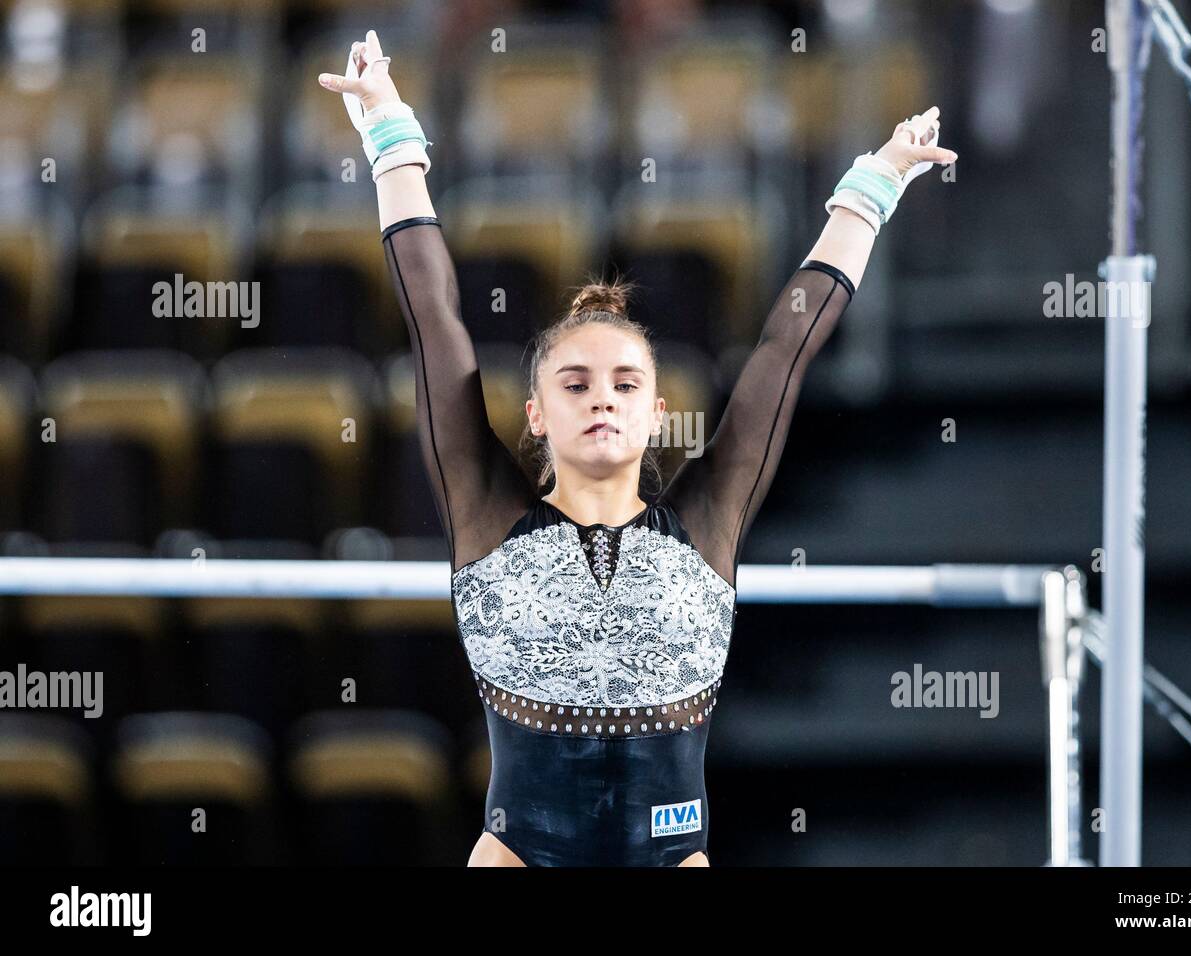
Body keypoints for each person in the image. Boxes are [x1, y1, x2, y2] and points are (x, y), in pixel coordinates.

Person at [319, 29, 957, 866]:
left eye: (624, 385)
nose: (602, 402)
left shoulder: (706, 523)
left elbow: (781, 356)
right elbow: (435, 323)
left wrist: (876, 181)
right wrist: (390, 132)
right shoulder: (484, 512)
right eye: (575, 385)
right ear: (536, 413)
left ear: (657, 412)